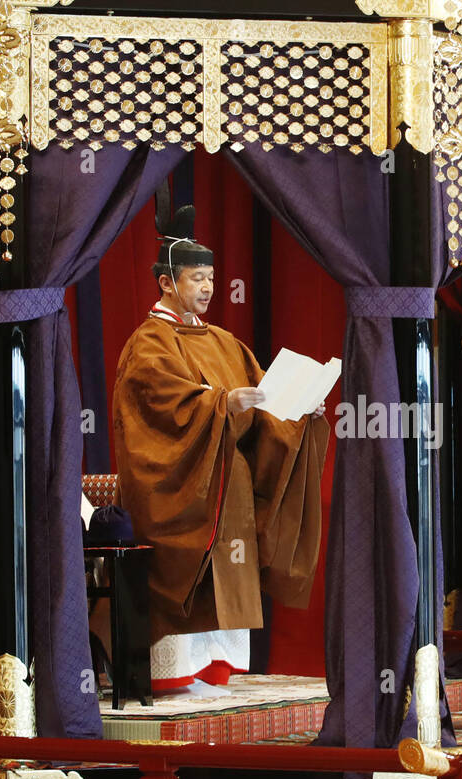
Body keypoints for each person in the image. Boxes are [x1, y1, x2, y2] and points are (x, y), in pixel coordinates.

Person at [111, 187, 330, 696]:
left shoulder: (222, 341)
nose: (208, 287)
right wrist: (219, 406)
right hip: (184, 490)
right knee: (186, 572)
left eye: (211, 277)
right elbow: (160, 407)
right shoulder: (149, 343)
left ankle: (216, 669)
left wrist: (300, 410)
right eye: (197, 278)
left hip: (231, 487)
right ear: (167, 283)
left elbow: (264, 399)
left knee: (230, 576)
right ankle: (173, 674)